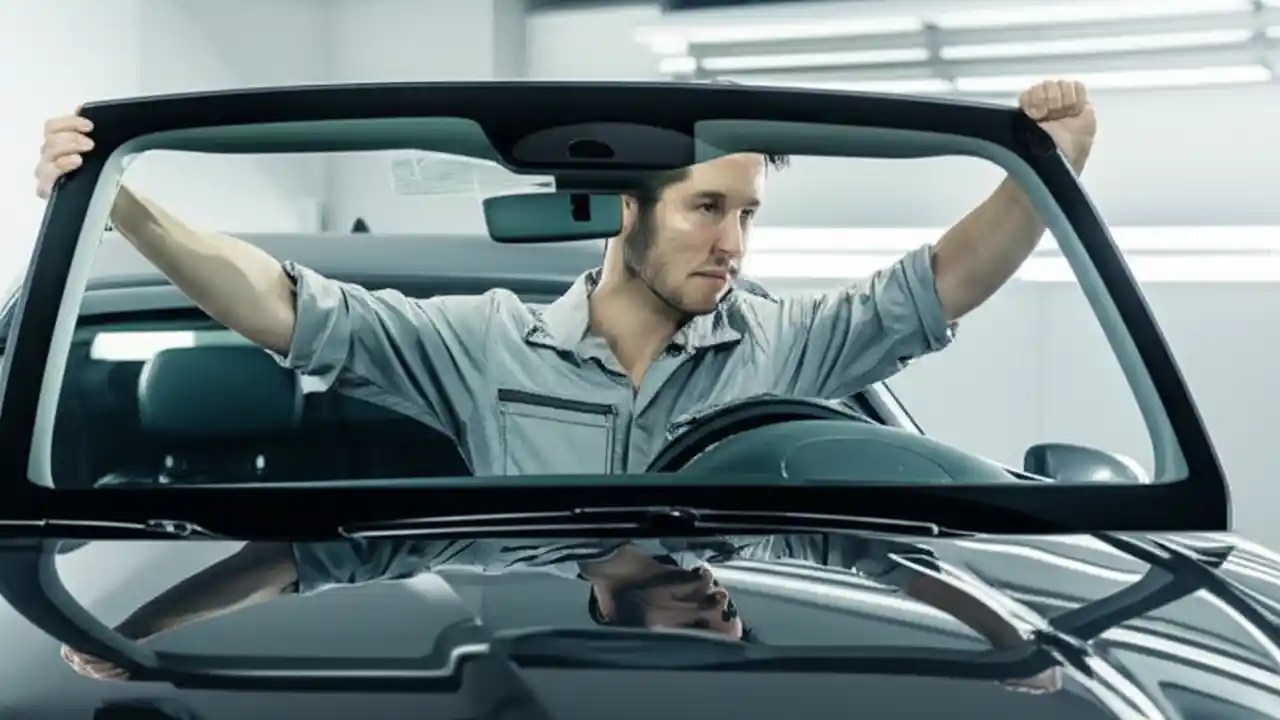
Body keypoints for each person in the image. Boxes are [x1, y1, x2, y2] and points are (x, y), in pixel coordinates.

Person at [44, 77, 1093, 692]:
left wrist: (1046, 167)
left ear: (608, 619)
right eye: (704, 210)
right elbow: (284, 308)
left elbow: (940, 286)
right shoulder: (483, 346)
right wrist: (118, 203)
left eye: (746, 215)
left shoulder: (794, 354)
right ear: (621, 212)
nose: (731, 245)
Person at [62, 531, 1063, 693]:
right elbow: (886, 560)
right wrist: (1007, 641)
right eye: (727, 619)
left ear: (602, 612)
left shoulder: (493, 535)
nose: (719, 604)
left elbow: (290, 562)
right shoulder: (738, 524)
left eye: (698, 626)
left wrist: (128, 633)